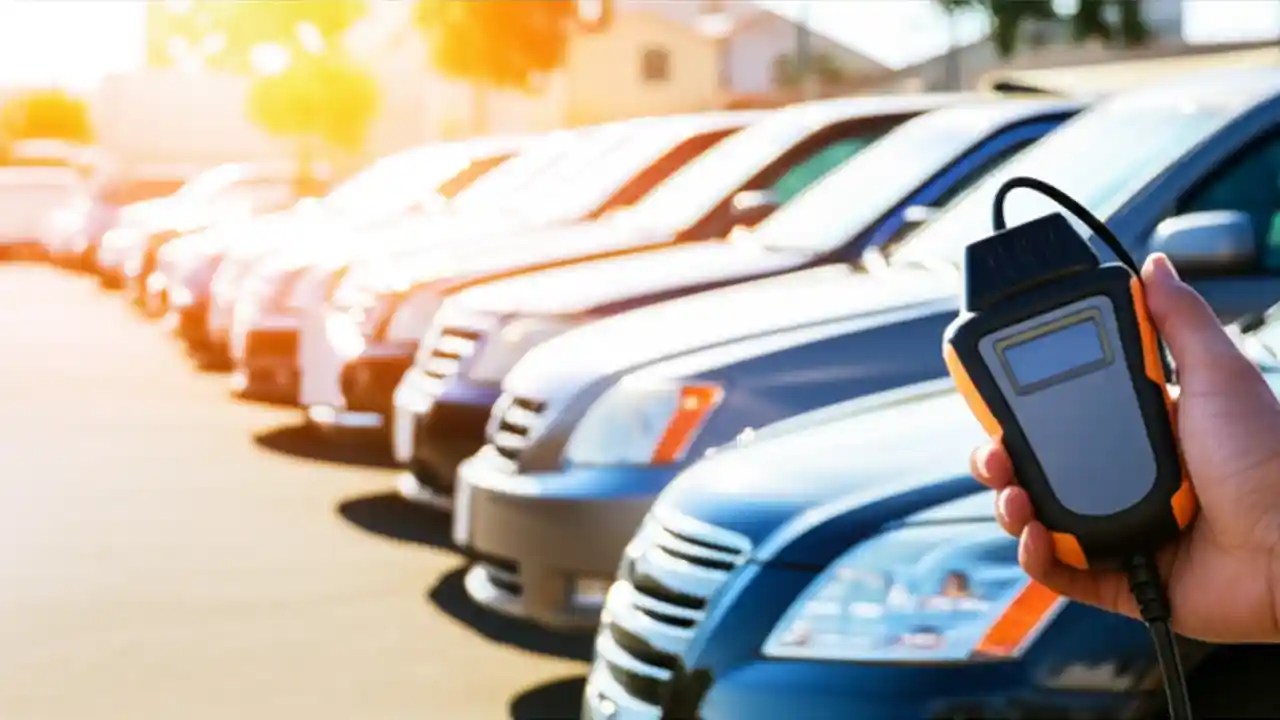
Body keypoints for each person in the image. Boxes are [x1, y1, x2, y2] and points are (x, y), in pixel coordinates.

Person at [970, 253, 1280, 644]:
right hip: (1161, 516)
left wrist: (1270, 554)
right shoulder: (1108, 294)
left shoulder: (981, 339)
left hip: (1138, 524)